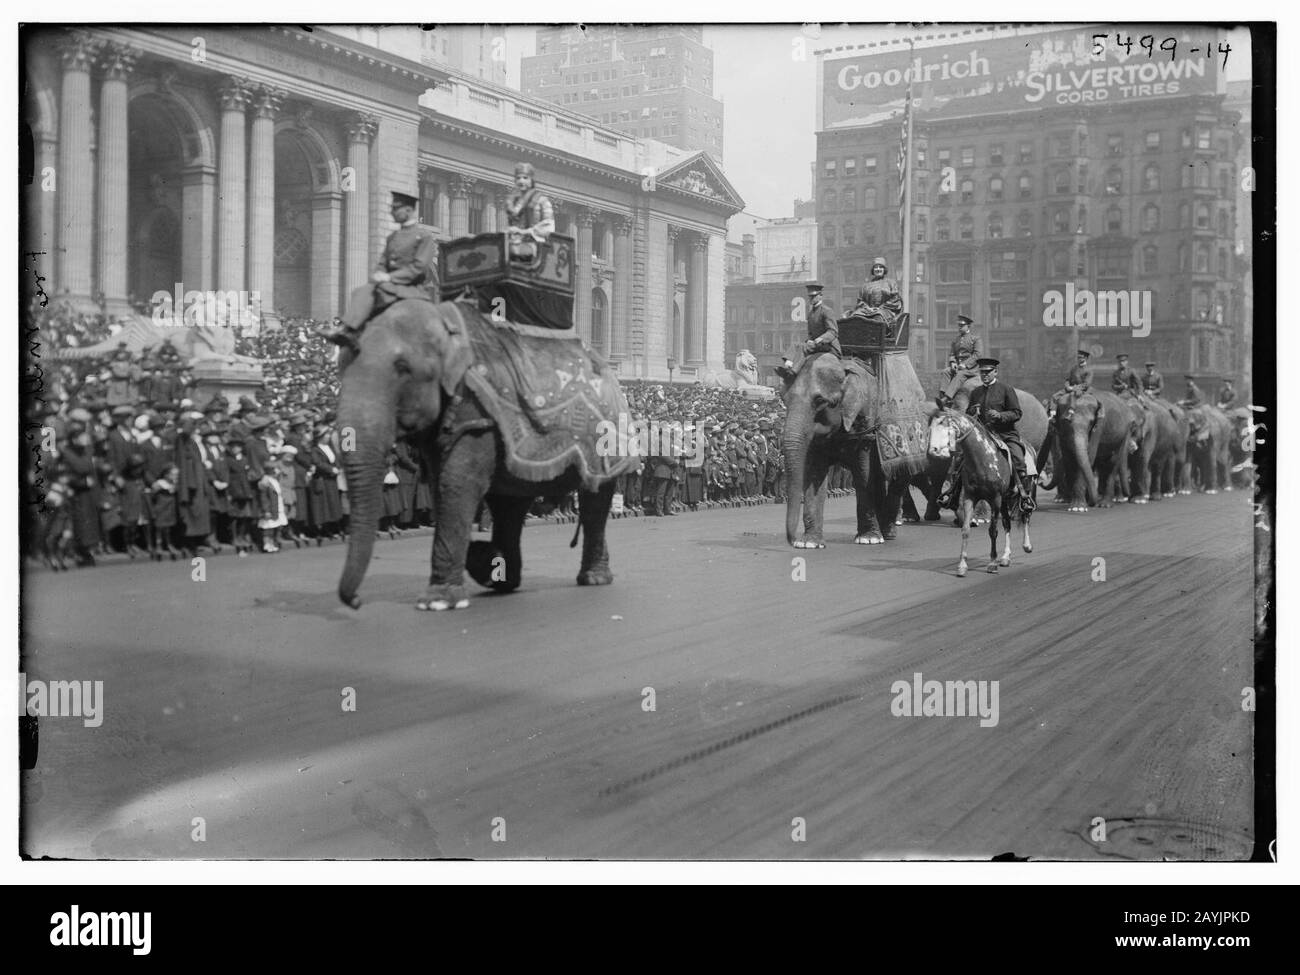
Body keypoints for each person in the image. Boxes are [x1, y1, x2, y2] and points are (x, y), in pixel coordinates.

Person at [328, 190, 439, 352]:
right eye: (392, 208)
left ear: (408, 210)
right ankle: (349, 331)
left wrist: (389, 277)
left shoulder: (424, 236)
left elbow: (419, 267)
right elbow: (382, 262)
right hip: (389, 283)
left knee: (370, 291)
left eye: (395, 209)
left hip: (411, 288)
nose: (391, 212)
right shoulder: (392, 237)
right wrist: (378, 274)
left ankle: (350, 330)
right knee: (361, 290)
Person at [967, 357, 1035, 506]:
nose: (984, 375)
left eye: (988, 372)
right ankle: (953, 495)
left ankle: (1024, 496)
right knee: (961, 463)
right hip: (983, 436)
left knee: (1018, 459)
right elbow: (968, 415)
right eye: (982, 372)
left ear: (995, 372)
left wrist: (1000, 416)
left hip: (1005, 434)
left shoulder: (1006, 389)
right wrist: (972, 413)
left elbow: (1017, 413)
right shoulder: (975, 393)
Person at [775, 282, 839, 382]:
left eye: (814, 296)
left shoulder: (827, 311)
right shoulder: (810, 313)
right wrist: (810, 340)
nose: (811, 299)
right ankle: (787, 366)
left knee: (804, 347)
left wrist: (820, 339)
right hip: (815, 345)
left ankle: (793, 372)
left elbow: (833, 332)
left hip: (829, 345)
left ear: (820, 296)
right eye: (810, 296)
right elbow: (810, 333)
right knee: (795, 345)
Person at [504, 162, 556, 261]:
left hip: (536, 245)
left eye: (525, 178)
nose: (521, 181)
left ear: (531, 180)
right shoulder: (513, 202)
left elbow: (548, 226)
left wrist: (523, 232)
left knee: (511, 251)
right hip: (516, 242)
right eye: (518, 178)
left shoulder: (542, 200)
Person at [848, 257, 903, 335]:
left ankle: (875, 341)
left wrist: (879, 308)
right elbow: (860, 300)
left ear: (884, 269)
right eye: (876, 267)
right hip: (867, 310)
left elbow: (895, 299)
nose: (878, 269)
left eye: (880, 267)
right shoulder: (866, 285)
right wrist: (867, 308)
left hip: (886, 310)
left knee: (877, 317)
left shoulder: (891, 283)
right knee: (856, 316)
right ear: (873, 270)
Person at [939, 315, 981, 405]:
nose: (959, 328)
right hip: (958, 366)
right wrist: (953, 362)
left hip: (970, 369)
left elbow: (977, 355)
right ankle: (942, 396)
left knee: (959, 374)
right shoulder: (956, 340)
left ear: (968, 326)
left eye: (962, 326)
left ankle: (947, 398)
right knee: (945, 371)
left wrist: (965, 364)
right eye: (959, 326)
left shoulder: (975, 339)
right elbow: (952, 354)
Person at [1056, 349, 1094, 419]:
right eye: (1078, 357)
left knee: (1072, 395)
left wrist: (1074, 388)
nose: (1079, 359)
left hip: (1082, 390)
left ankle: (1071, 412)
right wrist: (1067, 386)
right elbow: (1068, 379)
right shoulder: (1074, 368)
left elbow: (1086, 384)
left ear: (1085, 358)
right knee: (1056, 396)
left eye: (1081, 357)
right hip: (1071, 388)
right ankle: (1053, 415)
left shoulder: (1089, 370)